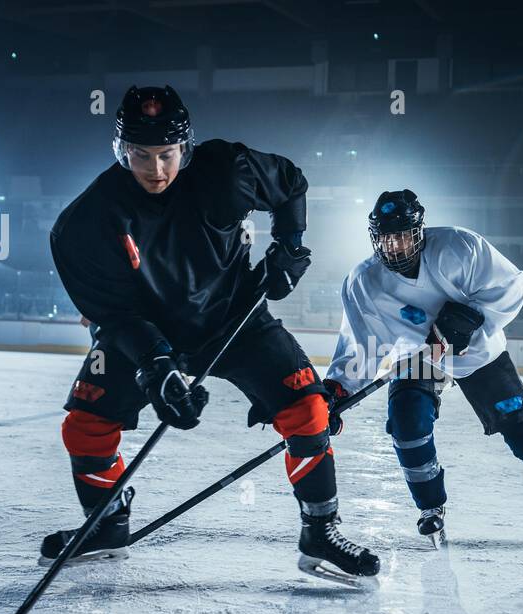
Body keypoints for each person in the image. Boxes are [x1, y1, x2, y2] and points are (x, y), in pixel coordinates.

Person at [45, 85, 379, 585]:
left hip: (235, 318)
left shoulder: (225, 170)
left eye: (167, 155)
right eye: (141, 155)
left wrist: (290, 246)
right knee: (86, 425)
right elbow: (114, 316)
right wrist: (155, 368)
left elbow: (290, 184)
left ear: (187, 147)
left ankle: (320, 533)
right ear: (121, 150)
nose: (156, 170)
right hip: (146, 330)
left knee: (309, 411)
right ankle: (107, 521)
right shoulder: (83, 223)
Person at [325, 190, 523, 552]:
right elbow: (360, 346)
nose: (393, 246)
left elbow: (511, 286)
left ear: (419, 231)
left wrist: (469, 319)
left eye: (400, 235)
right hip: (418, 358)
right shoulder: (363, 282)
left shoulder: (459, 247)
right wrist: (336, 390)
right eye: (384, 238)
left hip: (478, 353)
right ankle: (430, 506)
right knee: (407, 425)